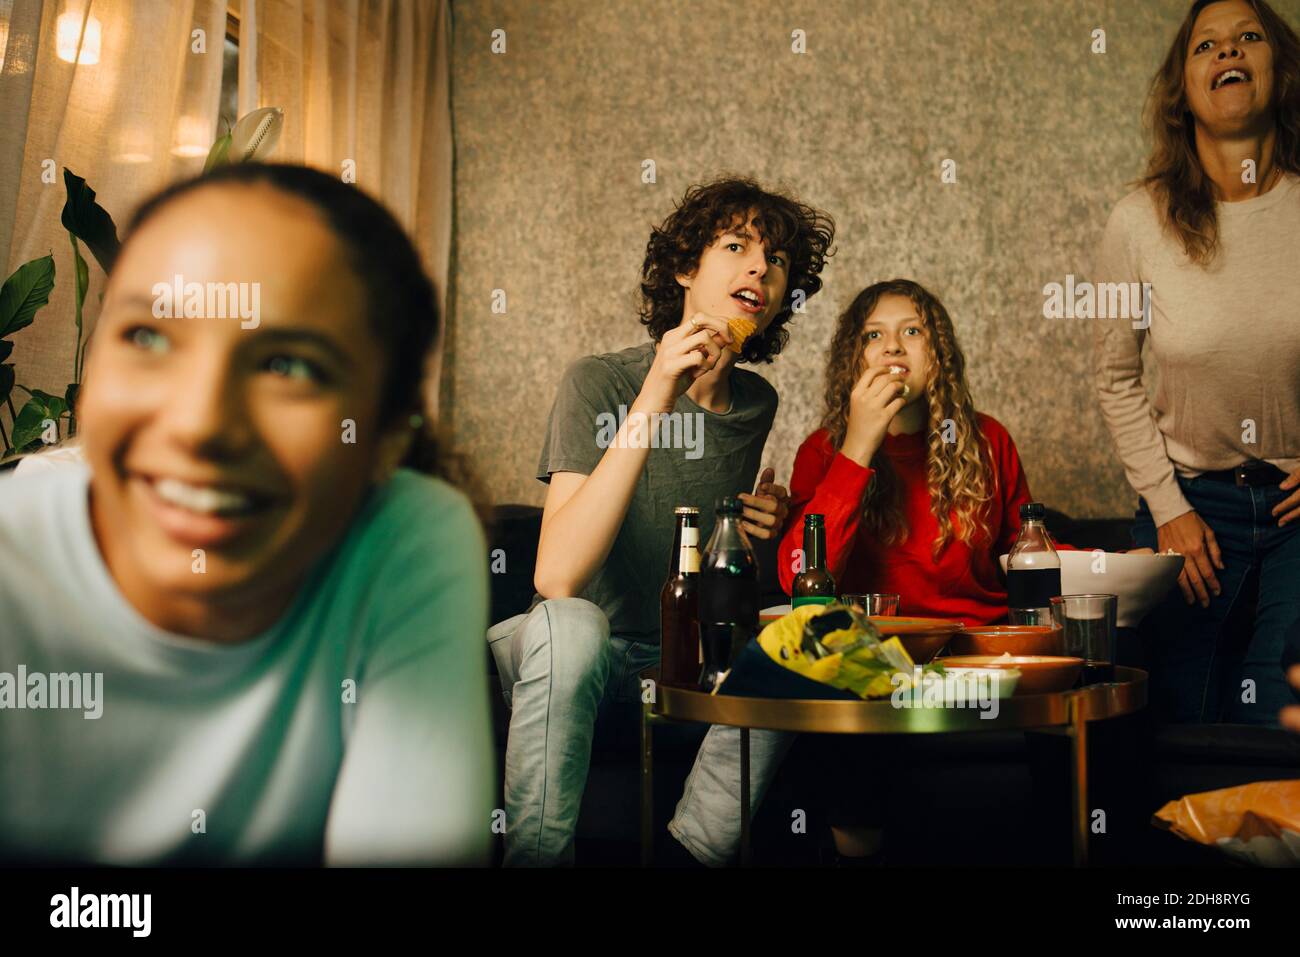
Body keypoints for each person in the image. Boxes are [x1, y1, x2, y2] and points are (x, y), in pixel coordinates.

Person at [0, 163, 495, 866]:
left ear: (387, 436)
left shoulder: (403, 538)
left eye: (288, 365)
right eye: (146, 337)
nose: (201, 425)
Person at [486, 177, 835, 866]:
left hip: (678, 664)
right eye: (736, 245)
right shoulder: (600, 381)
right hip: (571, 654)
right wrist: (656, 391)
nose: (761, 267)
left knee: (807, 635)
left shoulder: (754, 404)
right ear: (684, 268)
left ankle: (690, 853)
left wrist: (749, 531)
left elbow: (694, 567)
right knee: (574, 622)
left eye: (778, 259)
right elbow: (557, 577)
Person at [669, 278, 1073, 865]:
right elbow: (801, 580)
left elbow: (1031, 556)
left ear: (940, 356)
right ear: (853, 361)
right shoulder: (823, 450)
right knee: (822, 662)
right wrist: (858, 447)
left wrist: (1101, 565)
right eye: (874, 336)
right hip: (871, 668)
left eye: (912, 332)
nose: (893, 348)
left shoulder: (989, 442)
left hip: (971, 657)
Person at [1092, 0, 1300, 725]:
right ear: (1183, 89)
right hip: (1188, 507)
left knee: (1280, 713)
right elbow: (1115, 377)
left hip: (1297, 507)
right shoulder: (1136, 221)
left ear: (1280, 68)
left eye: (1249, 37)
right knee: (1178, 716)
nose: (1228, 51)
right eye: (1205, 45)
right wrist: (1169, 508)